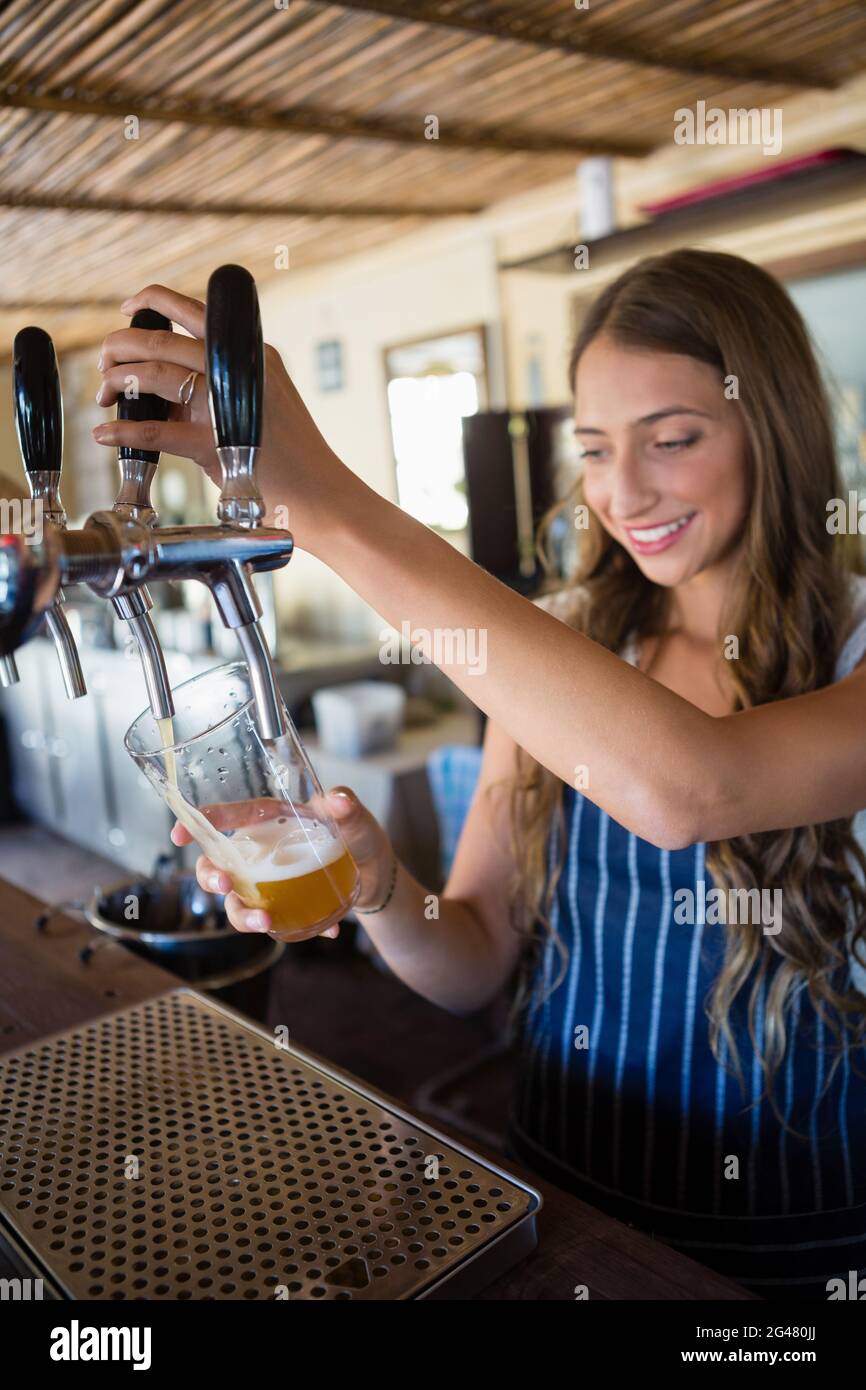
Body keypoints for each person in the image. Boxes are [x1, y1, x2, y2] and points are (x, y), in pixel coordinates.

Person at [93, 249, 866, 1299]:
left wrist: (318, 504)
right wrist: (376, 888)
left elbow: (689, 789)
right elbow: (470, 963)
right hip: (565, 1202)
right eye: (592, 448)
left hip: (791, 1247)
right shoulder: (570, 653)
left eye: (671, 439)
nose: (621, 491)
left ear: (770, 425)